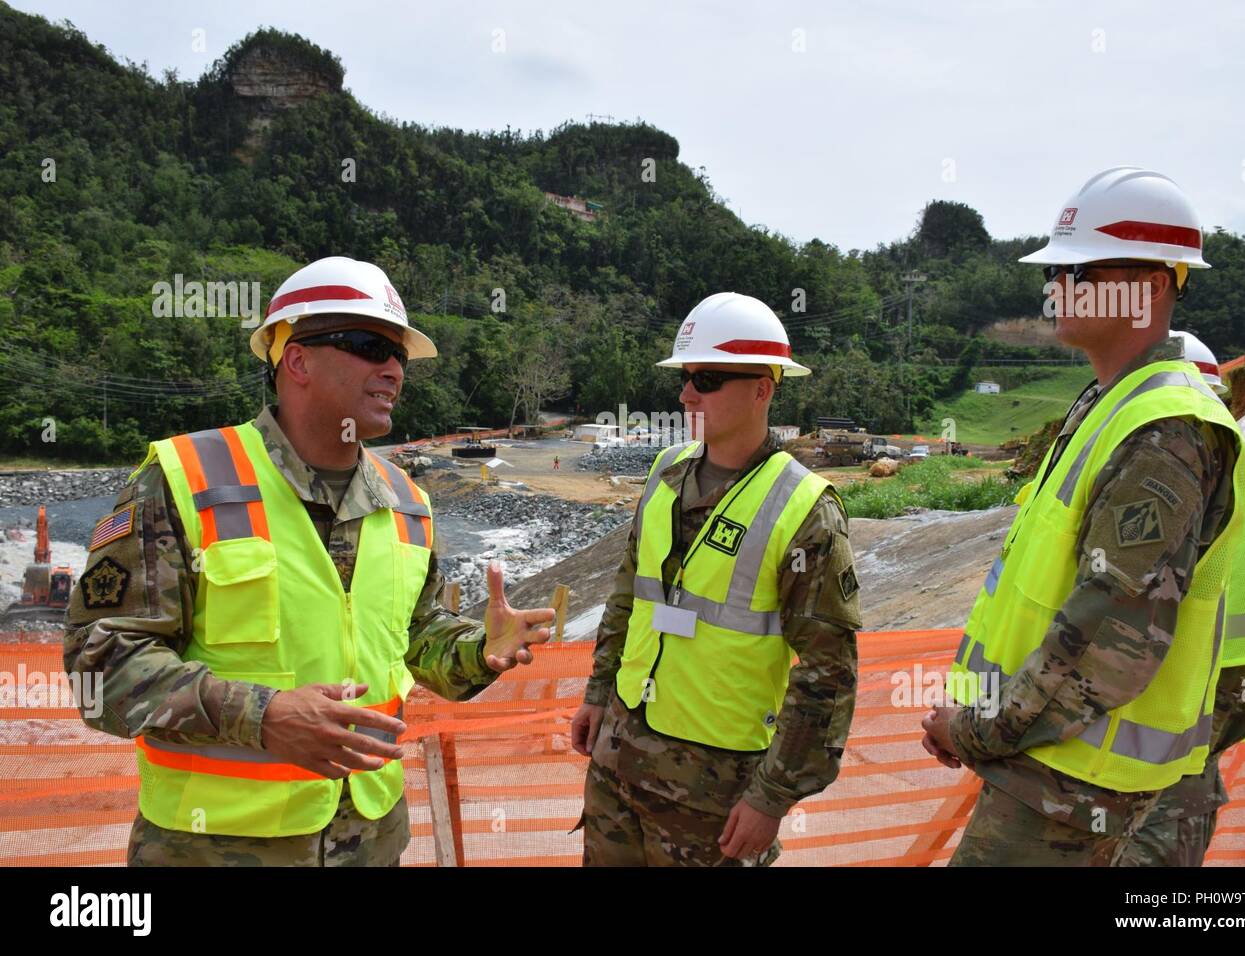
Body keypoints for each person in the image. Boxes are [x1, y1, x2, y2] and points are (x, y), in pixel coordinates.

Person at [65, 255, 555, 866]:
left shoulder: (408, 502)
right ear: (295, 358)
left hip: (369, 843)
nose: (393, 370)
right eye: (369, 346)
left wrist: (478, 649)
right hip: (214, 849)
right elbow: (100, 671)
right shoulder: (182, 480)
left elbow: (411, 640)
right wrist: (262, 717)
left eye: (399, 354)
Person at [921, 167, 1245, 865]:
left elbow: (1109, 640)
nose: (1056, 289)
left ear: (1153, 287)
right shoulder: (1107, 406)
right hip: (1049, 765)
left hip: (1072, 778)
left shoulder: (1166, 430)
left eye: (1080, 271)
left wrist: (978, 729)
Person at [570, 292, 862, 866]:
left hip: (715, 794)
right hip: (619, 762)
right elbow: (628, 595)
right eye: (685, 378)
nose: (685, 394)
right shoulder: (666, 473)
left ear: (762, 388)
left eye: (706, 378)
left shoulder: (804, 510)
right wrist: (599, 692)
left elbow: (829, 674)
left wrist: (772, 798)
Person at [1117, 331, 1245, 865]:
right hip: (1136, 780)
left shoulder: (1238, 519)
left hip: (1158, 792)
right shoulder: (1202, 509)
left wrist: (1159, 761)